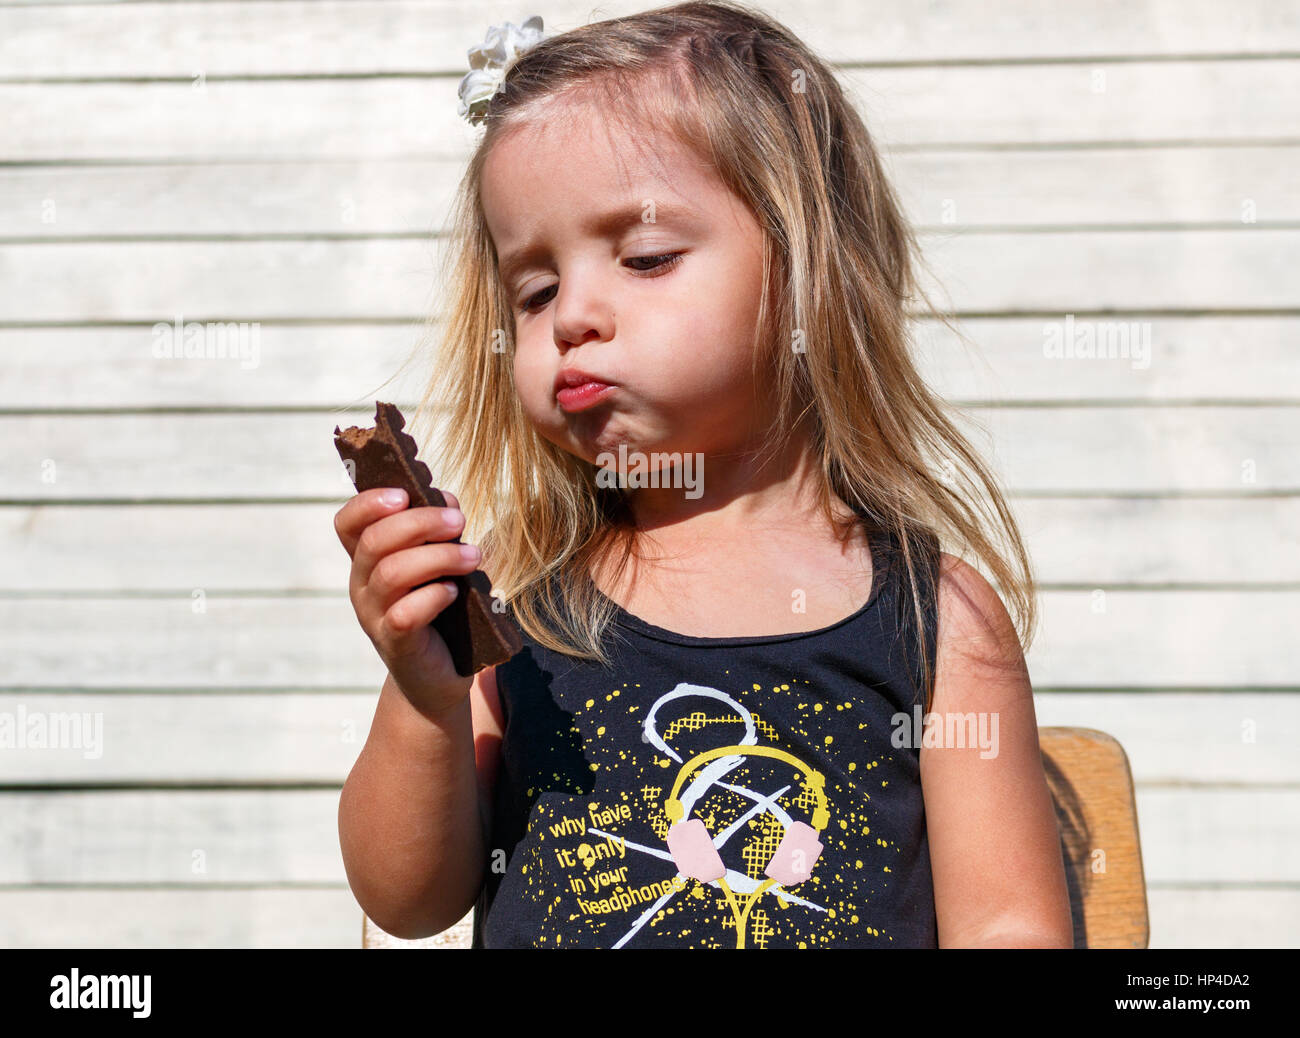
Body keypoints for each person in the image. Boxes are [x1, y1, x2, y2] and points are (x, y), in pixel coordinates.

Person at [335, 1, 1073, 949]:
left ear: (813, 271)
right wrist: (422, 694)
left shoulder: (933, 624)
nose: (571, 317)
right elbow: (406, 899)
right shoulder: (520, 617)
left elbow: (1008, 924)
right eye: (535, 288)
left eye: (644, 257)